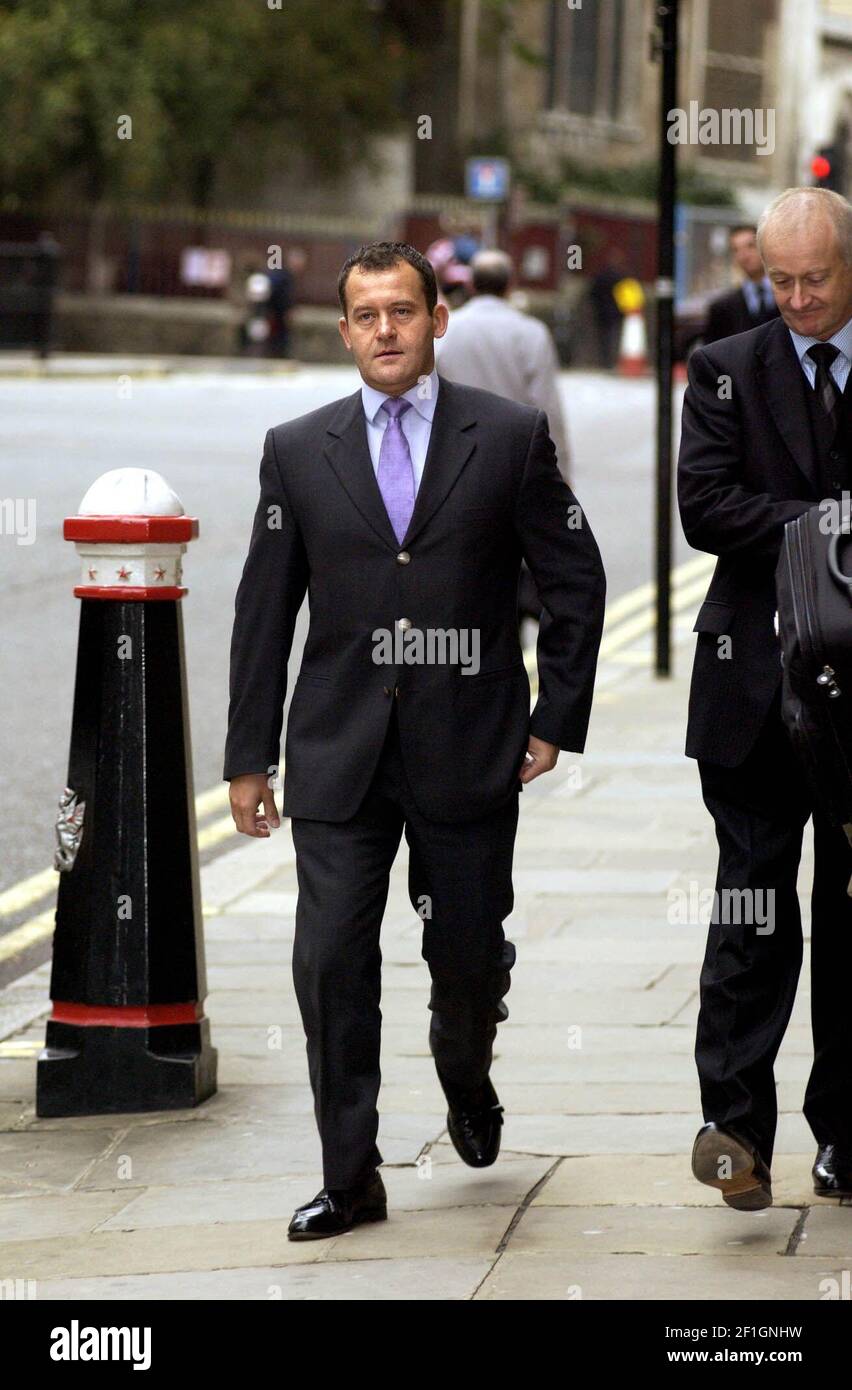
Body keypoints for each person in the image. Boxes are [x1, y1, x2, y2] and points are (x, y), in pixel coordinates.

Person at [224, 240, 606, 1239]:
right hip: (339, 754)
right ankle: (351, 1177)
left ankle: (466, 1070)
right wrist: (246, 758)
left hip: (470, 749)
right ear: (344, 328)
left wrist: (555, 718)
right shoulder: (297, 449)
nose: (385, 330)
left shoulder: (510, 436)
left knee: (466, 955)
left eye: (402, 310)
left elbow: (576, 578)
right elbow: (264, 611)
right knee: (330, 962)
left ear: (439, 318)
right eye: (365, 315)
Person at [677, 188, 852, 1211]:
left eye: (815, 280)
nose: (793, 298)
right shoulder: (726, 367)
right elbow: (705, 505)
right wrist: (834, 528)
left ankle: (847, 1134)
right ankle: (737, 1126)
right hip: (751, 685)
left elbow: (745, 511)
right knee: (751, 895)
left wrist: (797, 526)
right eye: (780, 280)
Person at [437, 248, 572, 635]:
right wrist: (560, 477)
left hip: (456, 468)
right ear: (511, 284)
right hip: (516, 468)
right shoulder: (530, 333)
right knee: (512, 566)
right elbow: (548, 410)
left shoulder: (448, 331)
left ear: (470, 284)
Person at [703, 224, 779, 344]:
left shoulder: (791, 297)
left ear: (765, 247)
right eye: (736, 250)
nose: (744, 255)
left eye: (750, 246)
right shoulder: (721, 308)